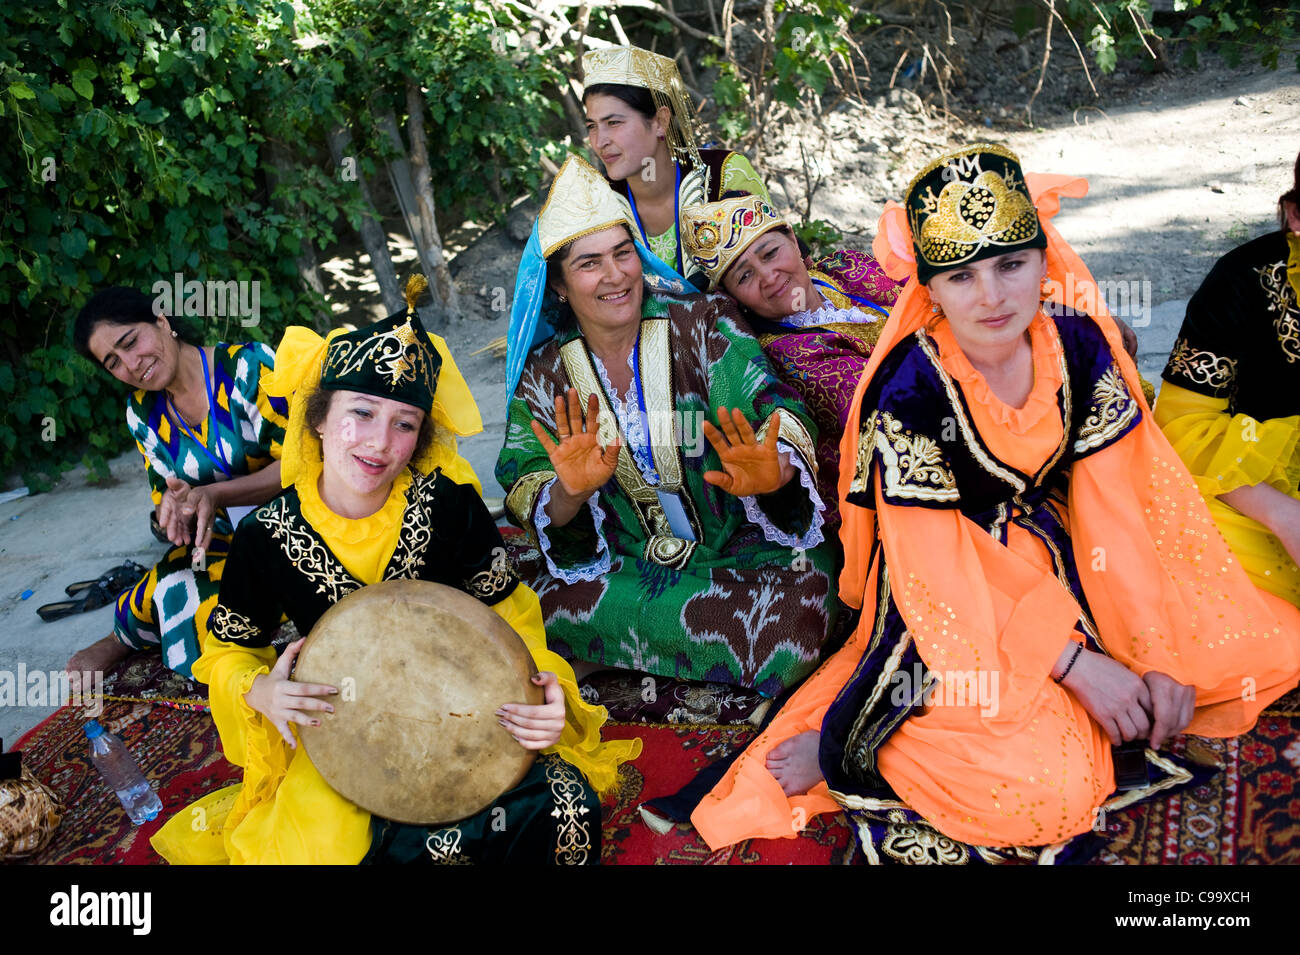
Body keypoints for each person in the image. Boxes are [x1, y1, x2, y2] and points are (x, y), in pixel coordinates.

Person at [691, 144, 1300, 863]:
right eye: (961, 275)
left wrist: (1153, 649)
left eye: (1011, 264)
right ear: (930, 288)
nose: (992, 297)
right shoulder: (910, 394)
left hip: (1071, 547)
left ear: (1045, 259)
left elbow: (1118, 507)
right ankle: (865, 748)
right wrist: (1075, 662)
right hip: (958, 586)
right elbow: (938, 568)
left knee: (1268, 649)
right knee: (1050, 788)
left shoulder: (1078, 344)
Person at [151, 279, 638, 864]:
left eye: (405, 424)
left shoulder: (451, 507)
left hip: (462, 710)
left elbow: (513, 620)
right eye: (361, 412)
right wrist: (262, 690)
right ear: (318, 421)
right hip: (345, 728)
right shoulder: (264, 538)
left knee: (562, 810)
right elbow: (229, 653)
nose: (380, 442)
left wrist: (547, 692)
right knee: (332, 852)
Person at [498, 154, 835, 699]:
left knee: (797, 617)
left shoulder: (703, 320)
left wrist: (772, 475)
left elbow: (768, 402)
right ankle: (701, 672)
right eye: (589, 264)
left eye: (623, 253)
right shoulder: (545, 377)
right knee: (537, 606)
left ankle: (611, 667)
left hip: (745, 553)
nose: (615, 276)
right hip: (626, 562)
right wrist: (568, 492)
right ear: (558, 284)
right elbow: (526, 484)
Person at [68, 288, 287, 680]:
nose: (132, 366)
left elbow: (301, 465)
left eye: (131, 341)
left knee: (207, 597)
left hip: (293, 521)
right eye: (113, 362)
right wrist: (169, 515)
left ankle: (151, 641)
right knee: (175, 576)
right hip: (226, 537)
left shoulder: (248, 367)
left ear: (163, 322)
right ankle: (125, 638)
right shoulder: (142, 412)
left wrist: (216, 493)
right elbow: (165, 499)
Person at [682, 194, 904, 538]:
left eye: (771, 253)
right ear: (735, 300)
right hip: (910, 492)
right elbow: (902, 408)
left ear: (791, 236)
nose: (769, 276)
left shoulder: (844, 267)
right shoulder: (793, 358)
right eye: (744, 277)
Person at [1155, 151, 1300, 607]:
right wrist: (1286, 517)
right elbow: (1182, 431)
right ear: (1296, 215)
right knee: (1175, 541)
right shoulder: (1241, 283)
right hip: (1258, 496)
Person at [582, 44, 769, 287]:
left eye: (614, 122)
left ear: (660, 121)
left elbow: (774, 273)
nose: (600, 141)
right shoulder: (598, 204)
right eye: (592, 126)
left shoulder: (724, 175)